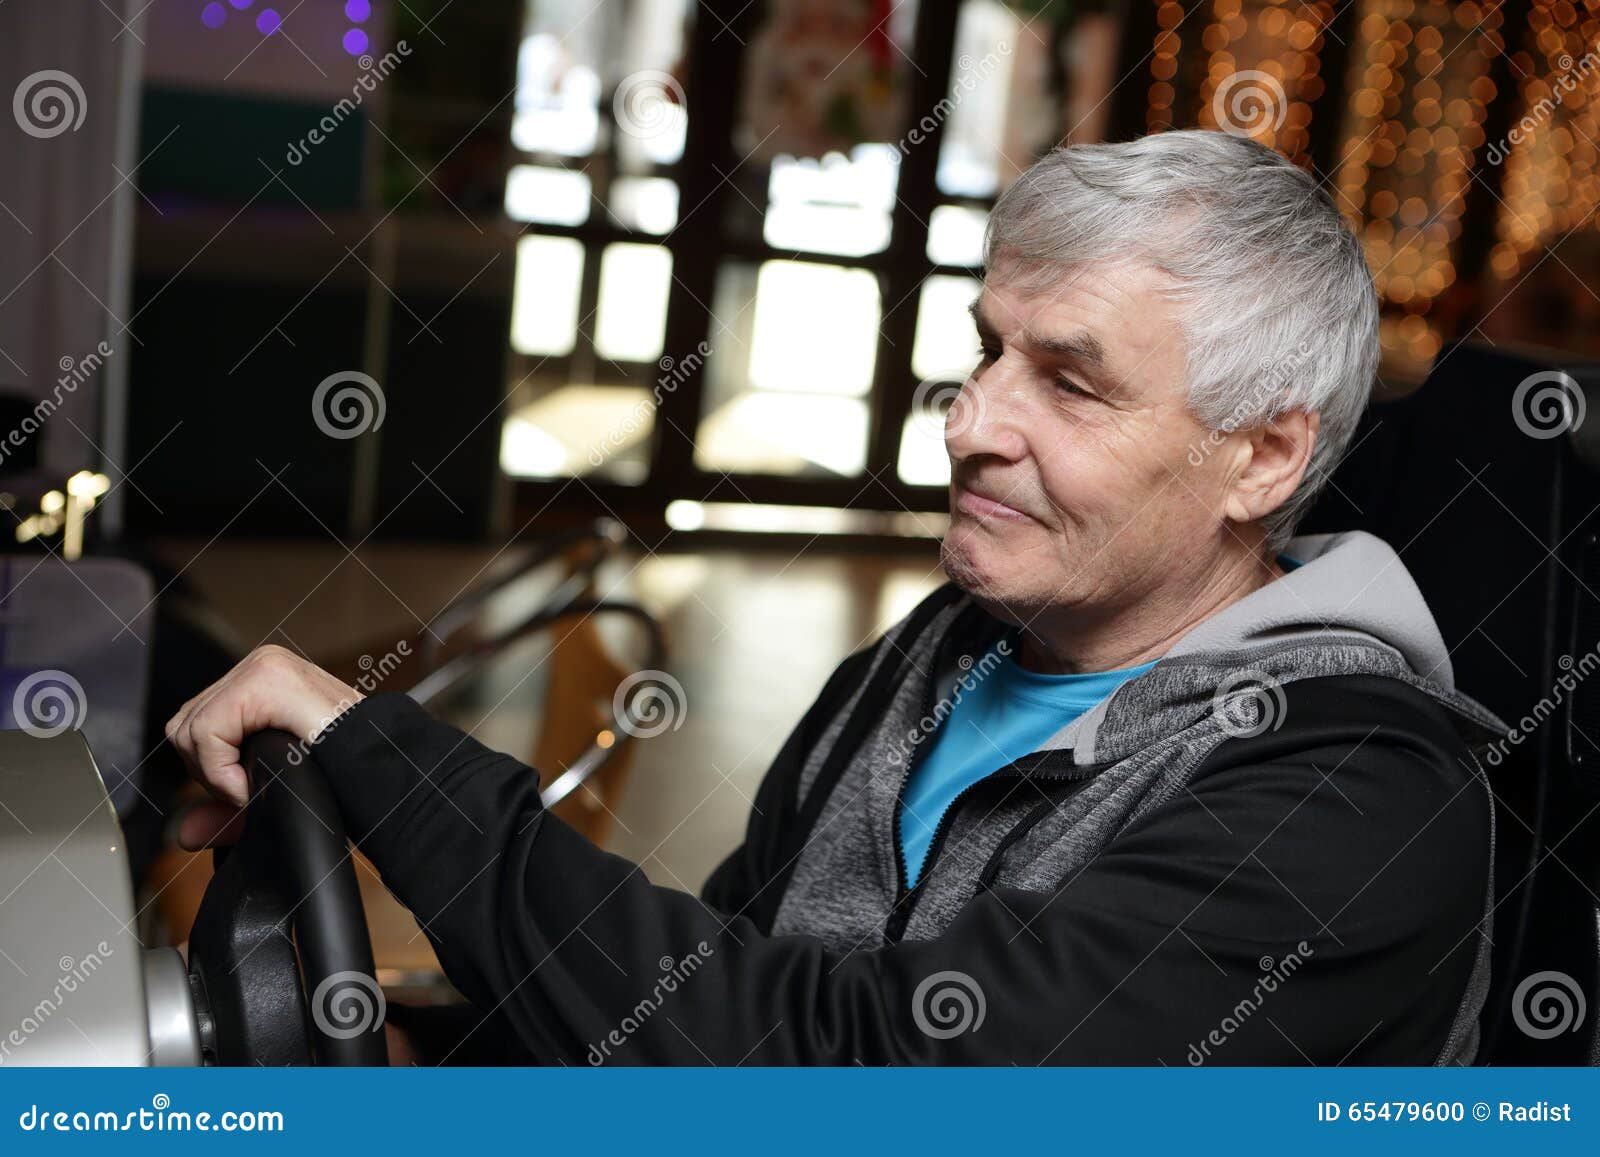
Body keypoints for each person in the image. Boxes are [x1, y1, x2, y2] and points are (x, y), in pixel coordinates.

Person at [167, 130, 1504, 1065]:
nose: (972, 421)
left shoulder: (1361, 802)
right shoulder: (941, 652)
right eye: (989, 353)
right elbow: (718, 993)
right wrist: (433, 1058)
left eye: (1073, 382)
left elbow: (863, 1074)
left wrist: (388, 767)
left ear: (1262, 454)